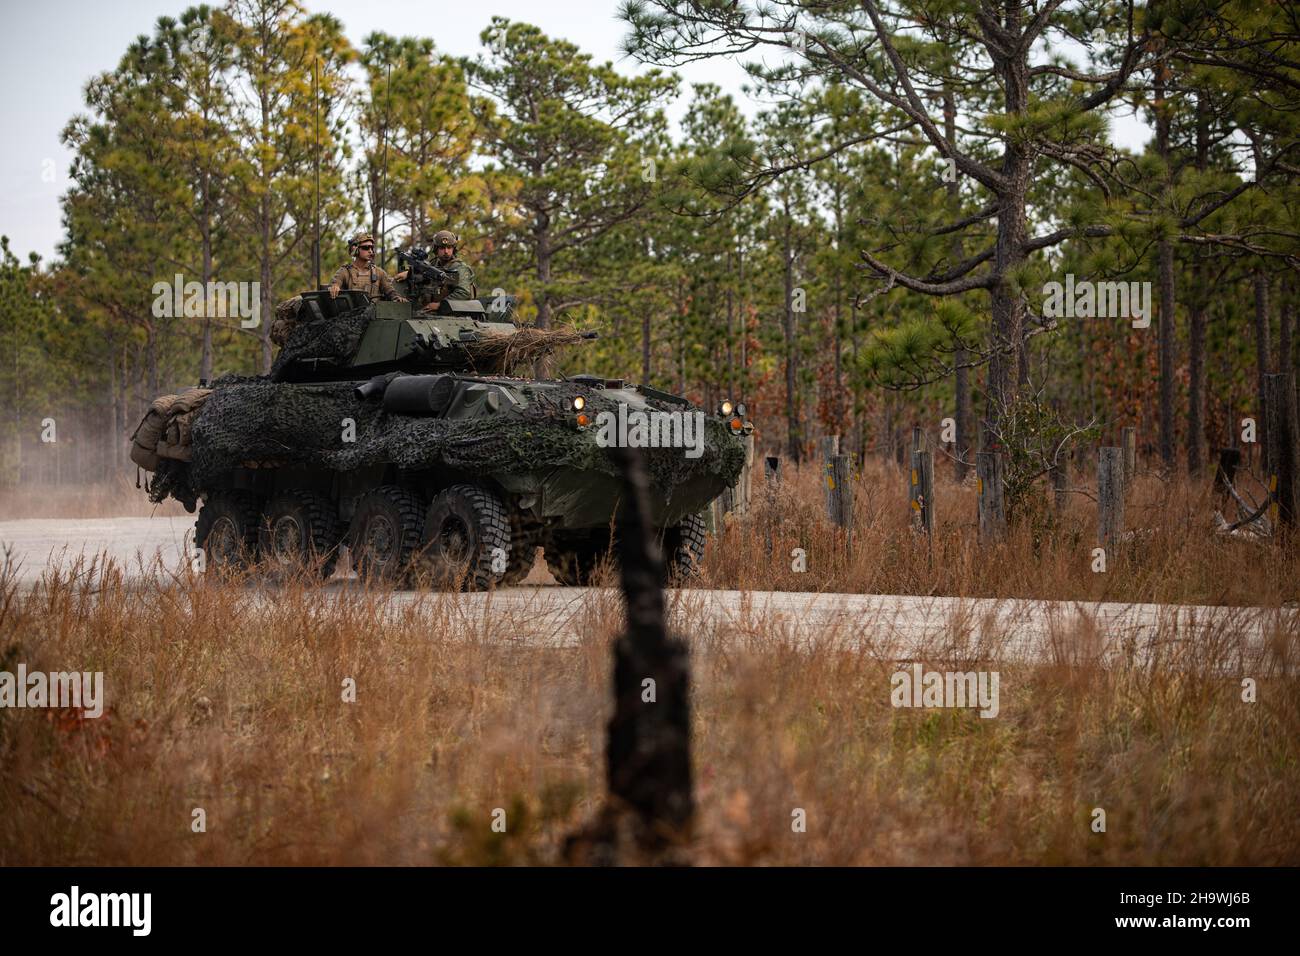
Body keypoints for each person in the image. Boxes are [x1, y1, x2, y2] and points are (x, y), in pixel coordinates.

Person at [396, 229, 477, 313]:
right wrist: (409, 273)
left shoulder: (460, 268)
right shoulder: (433, 264)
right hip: (429, 311)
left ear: (453, 249)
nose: (446, 251)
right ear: (436, 249)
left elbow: (463, 293)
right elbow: (424, 272)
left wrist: (440, 304)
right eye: (442, 248)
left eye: (449, 247)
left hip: (454, 313)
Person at [328, 232, 407, 301]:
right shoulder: (345, 271)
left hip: (375, 315)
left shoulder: (379, 272)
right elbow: (335, 282)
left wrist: (397, 298)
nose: (370, 251)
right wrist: (335, 286)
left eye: (371, 248)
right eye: (366, 248)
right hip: (352, 315)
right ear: (355, 249)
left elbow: (390, 291)